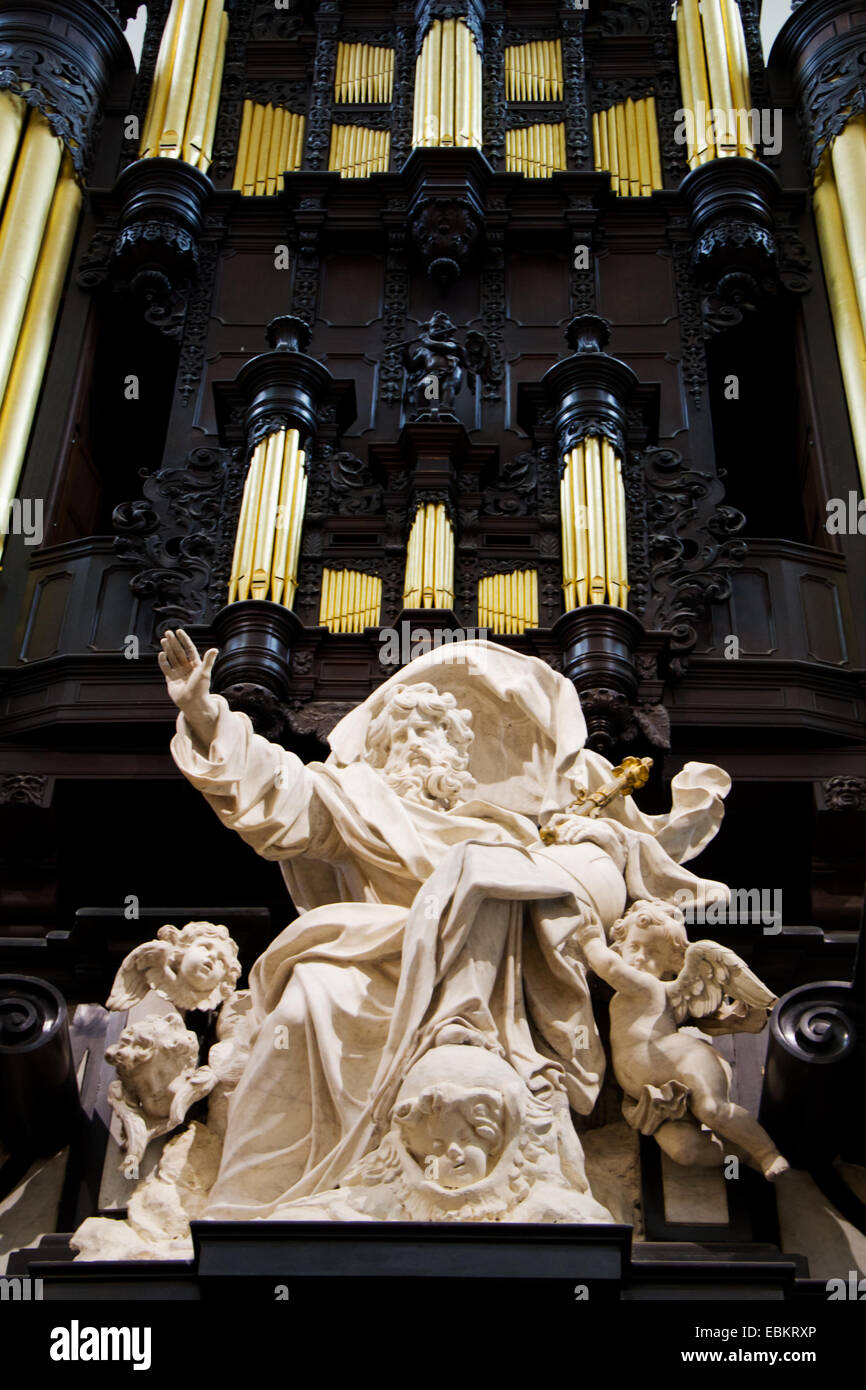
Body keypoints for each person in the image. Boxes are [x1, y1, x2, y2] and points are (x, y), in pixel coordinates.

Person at [160, 628, 733, 1218]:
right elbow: (278, 789)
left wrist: (593, 845)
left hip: (492, 982)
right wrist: (205, 714)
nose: (418, 745)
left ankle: (462, 1040)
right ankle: (254, 1207)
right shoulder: (356, 801)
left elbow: (585, 887)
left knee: (485, 872)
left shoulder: (503, 832)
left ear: (460, 753)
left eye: (433, 732)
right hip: (370, 952)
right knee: (307, 999)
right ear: (381, 750)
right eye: (402, 734)